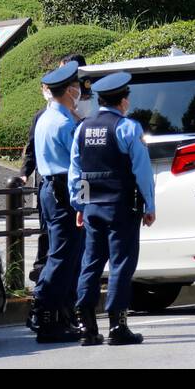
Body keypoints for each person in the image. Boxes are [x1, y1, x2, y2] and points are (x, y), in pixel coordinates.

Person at [69, 71, 156, 347]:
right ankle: (118, 326)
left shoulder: (82, 128)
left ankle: (85, 324)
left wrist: (79, 204)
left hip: (92, 206)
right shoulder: (128, 128)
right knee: (121, 263)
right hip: (121, 207)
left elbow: (76, 171)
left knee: (91, 262)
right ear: (124, 101)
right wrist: (150, 204)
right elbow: (142, 172)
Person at [31, 60, 87, 343]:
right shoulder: (66, 124)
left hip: (50, 190)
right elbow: (80, 168)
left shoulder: (46, 118)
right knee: (65, 256)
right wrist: (84, 204)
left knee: (60, 253)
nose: (79, 91)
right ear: (67, 91)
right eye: (75, 86)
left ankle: (57, 317)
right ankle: (45, 311)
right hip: (66, 190)